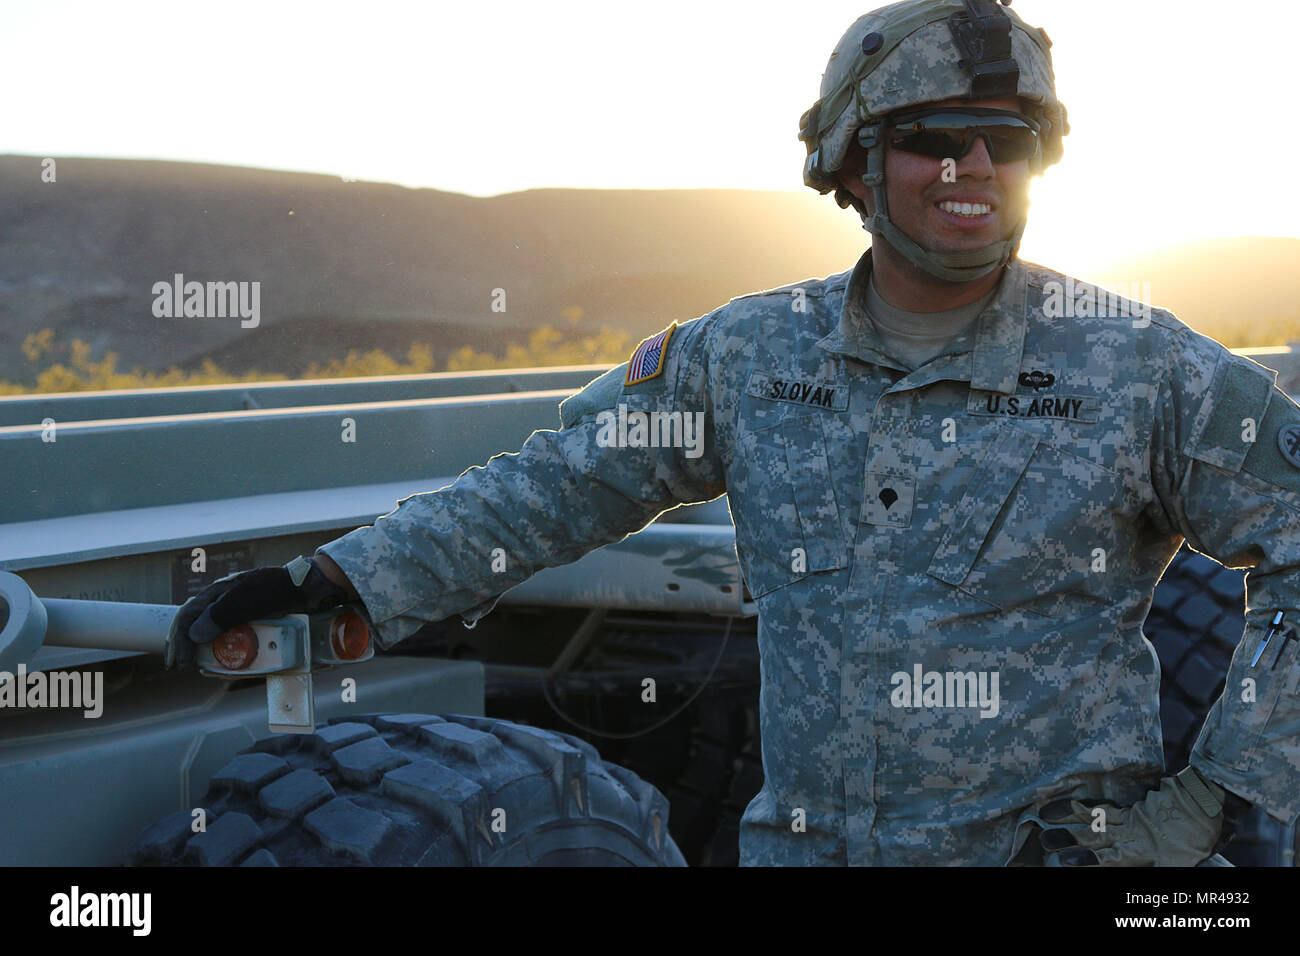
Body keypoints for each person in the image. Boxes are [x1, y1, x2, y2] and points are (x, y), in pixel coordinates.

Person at [167, 0, 1300, 866]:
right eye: (933, 136)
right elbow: (550, 488)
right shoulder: (748, 356)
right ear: (854, 161)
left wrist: (1210, 799)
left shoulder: (1135, 366)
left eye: (1011, 141)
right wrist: (340, 579)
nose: (974, 170)